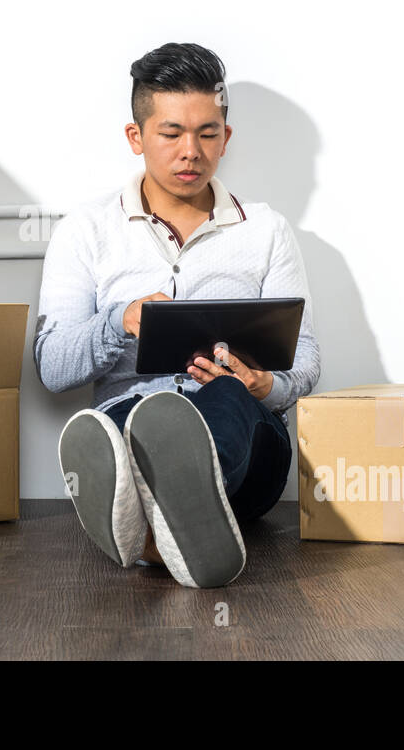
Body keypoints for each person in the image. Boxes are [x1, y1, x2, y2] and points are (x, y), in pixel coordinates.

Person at [33, 42, 321, 588]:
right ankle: (169, 526)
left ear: (226, 137)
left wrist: (264, 384)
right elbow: (52, 367)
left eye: (207, 133)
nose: (191, 151)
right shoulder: (86, 231)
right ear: (136, 137)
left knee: (226, 396)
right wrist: (120, 323)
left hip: (249, 440)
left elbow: (305, 359)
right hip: (131, 410)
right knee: (123, 424)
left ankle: (147, 524)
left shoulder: (265, 230)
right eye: (171, 134)